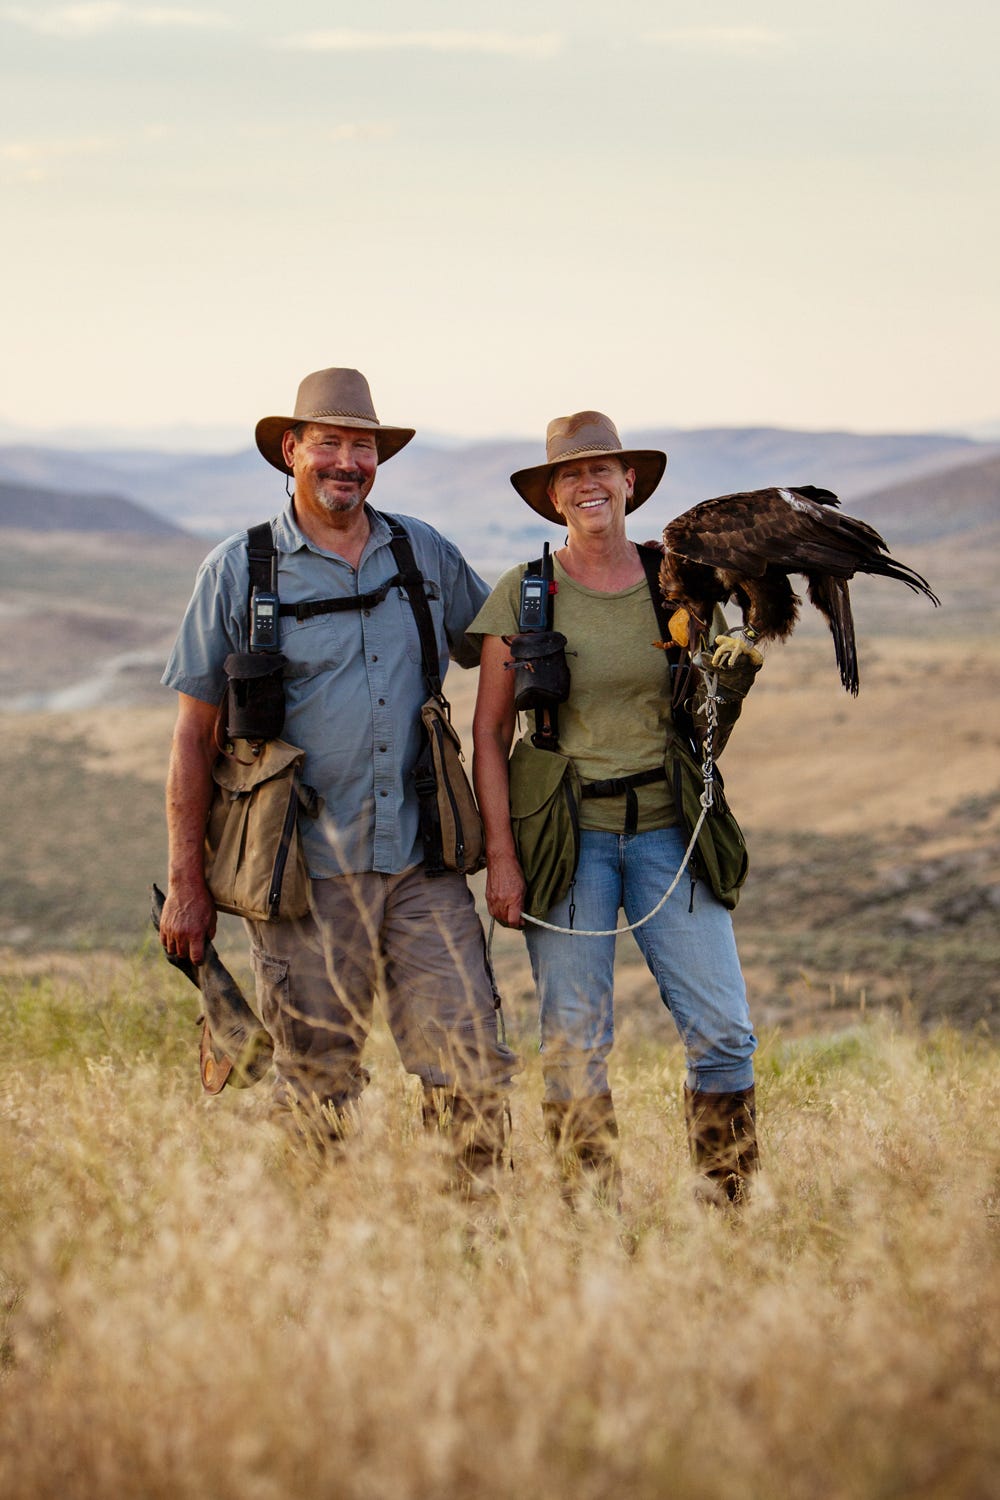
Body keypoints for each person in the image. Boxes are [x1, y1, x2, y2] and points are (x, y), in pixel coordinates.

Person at [159, 367, 518, 1183]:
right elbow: (192, 738)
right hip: (300, 879)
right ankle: (313, 1262)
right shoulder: (238, 571)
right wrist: (187, 884)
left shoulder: (420, 550)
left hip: (423, 866)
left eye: (363, 446)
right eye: (329, 442)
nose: (346, 462)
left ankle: (479, 1251)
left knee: (471, 1066)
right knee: (316, 1087)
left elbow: (498, 644)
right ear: (292, 450)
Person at [470, 411, 762, 1206]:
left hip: (673, 829)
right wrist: (501, 856)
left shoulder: (679, 578)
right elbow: (489, 732)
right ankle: (589, 1224)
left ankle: (727, 1212)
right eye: (571, 474)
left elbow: (711, 702)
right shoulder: (526, 594)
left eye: (603, 469)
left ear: (630, 481)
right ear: (553, 494)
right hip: (569, 842)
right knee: (572, 1046)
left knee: (724, 1034)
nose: (589, 484)